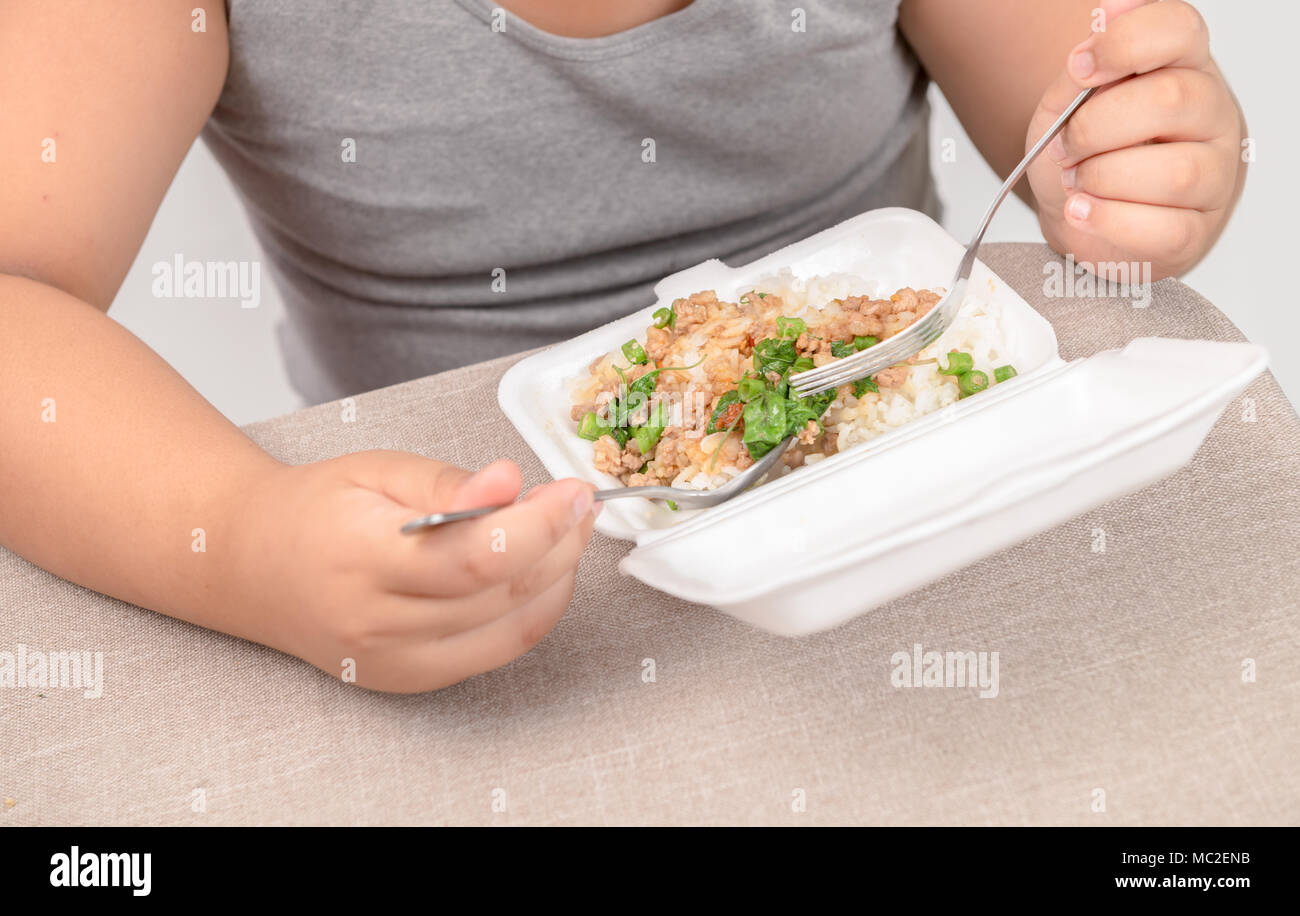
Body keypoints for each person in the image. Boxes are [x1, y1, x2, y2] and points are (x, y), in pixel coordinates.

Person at [0, 0, 1246, 691]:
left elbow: (1085, 120)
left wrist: (1140, 158)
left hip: (913, 486)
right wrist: (249, 539)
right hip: (460, 582)